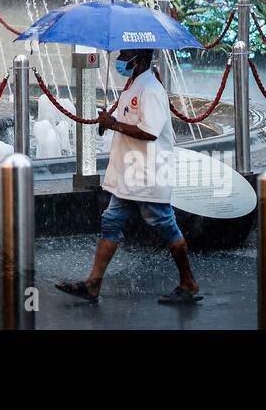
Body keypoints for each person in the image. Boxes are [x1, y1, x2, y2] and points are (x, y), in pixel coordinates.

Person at [56, 47, 202, 305]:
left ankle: (188, 282)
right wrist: (109, 122)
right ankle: (93, 284)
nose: (121, 60)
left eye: (126, 56)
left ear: (141, 59)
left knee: (167, 226)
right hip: (129, 176)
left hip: (147, 174)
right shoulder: (133, 85)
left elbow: (150, 132)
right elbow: (127, 123)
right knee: (111, 221)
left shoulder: (152, 90)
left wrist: (114, 124)